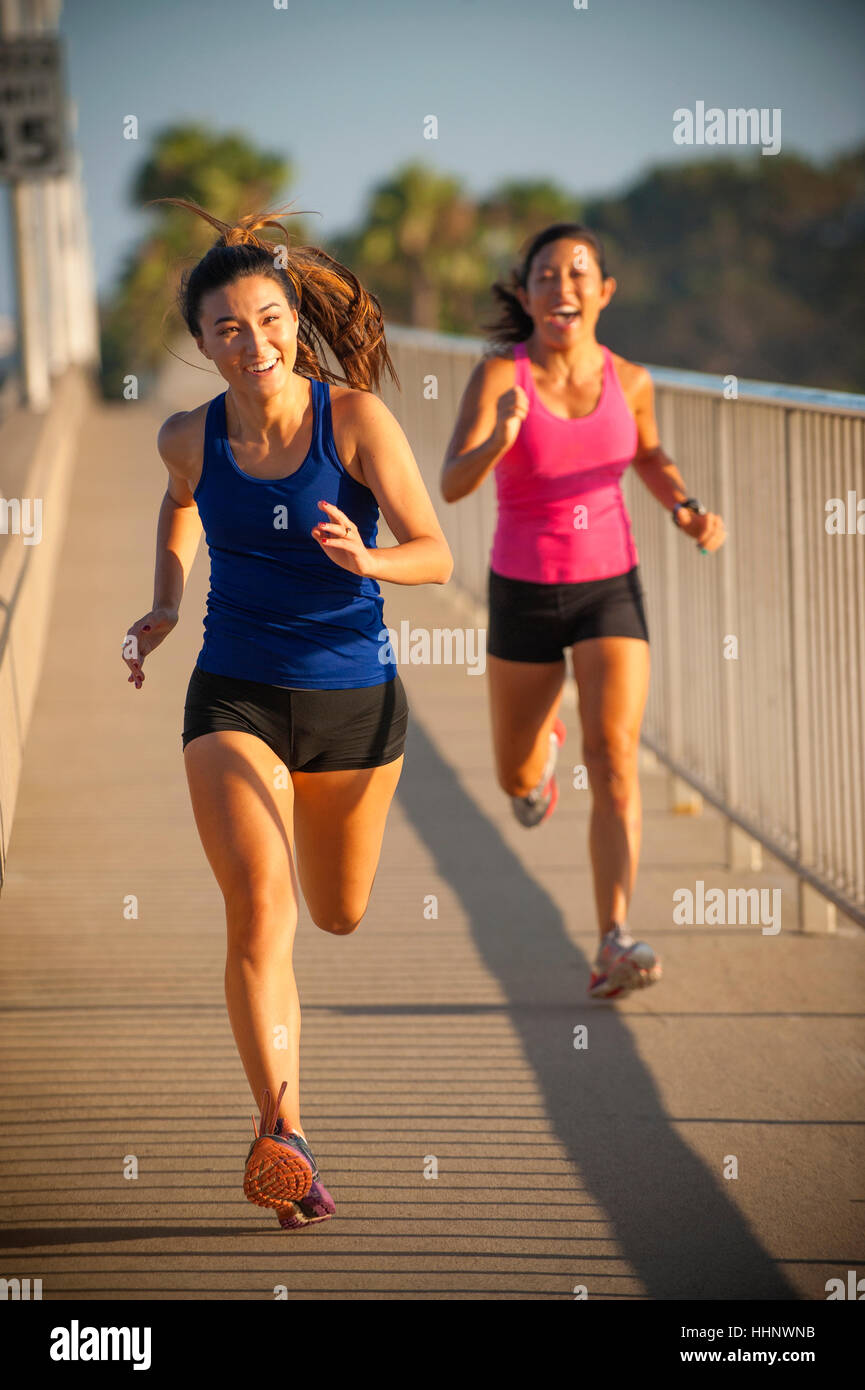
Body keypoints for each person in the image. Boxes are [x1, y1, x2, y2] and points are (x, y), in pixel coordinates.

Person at [122, 200, 452, 1228]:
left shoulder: (352, 420)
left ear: (290, 320)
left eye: (267, 319)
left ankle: (285, 1128)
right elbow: (181, 503)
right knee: (260, 910)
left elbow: (434, 553)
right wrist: (169, 601)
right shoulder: (189, 436)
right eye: (227, 327)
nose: (252, 341)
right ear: (203, 342)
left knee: (335, 911)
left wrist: (370, 558)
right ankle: (286, 1134)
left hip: (355, 699)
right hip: (236, 692)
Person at [440, 223, 725, 999]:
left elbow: (647, 455)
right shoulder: (501, 374)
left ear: (603, 291)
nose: (560, 287)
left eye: (577, 273)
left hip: (609, 586)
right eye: (544, 275)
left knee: (615, 762)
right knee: (515, 774)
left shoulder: (630, 379)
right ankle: (538, 768)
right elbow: (452, 482)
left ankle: (612, 940)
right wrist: (497, 439)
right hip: (524, 593)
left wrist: (687, 508)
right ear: (526, 294)